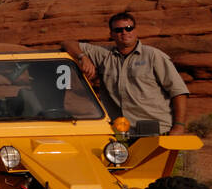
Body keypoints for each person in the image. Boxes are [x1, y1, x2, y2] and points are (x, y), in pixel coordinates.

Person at [62, 12, 190, 134]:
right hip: (119, 131)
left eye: (128, 28)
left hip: (155, 130)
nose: (124, 32)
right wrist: (82, 57)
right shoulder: (104, 55)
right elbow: (67, 43)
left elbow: (178, 91)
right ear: (111, 34)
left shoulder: (153, 56)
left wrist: (179, 126)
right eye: (118, 30)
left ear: (136, 31)